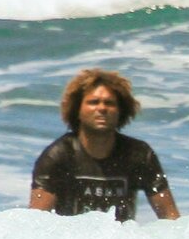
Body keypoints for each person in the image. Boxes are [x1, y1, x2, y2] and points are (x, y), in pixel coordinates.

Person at [30, 68, 180, 222]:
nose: (102, 108)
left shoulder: (139, 154)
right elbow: (36, 222)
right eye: (93, 102)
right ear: (77, 110)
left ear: (121, 111)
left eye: (109, 103)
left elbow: (171, 219)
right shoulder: (57, 155)